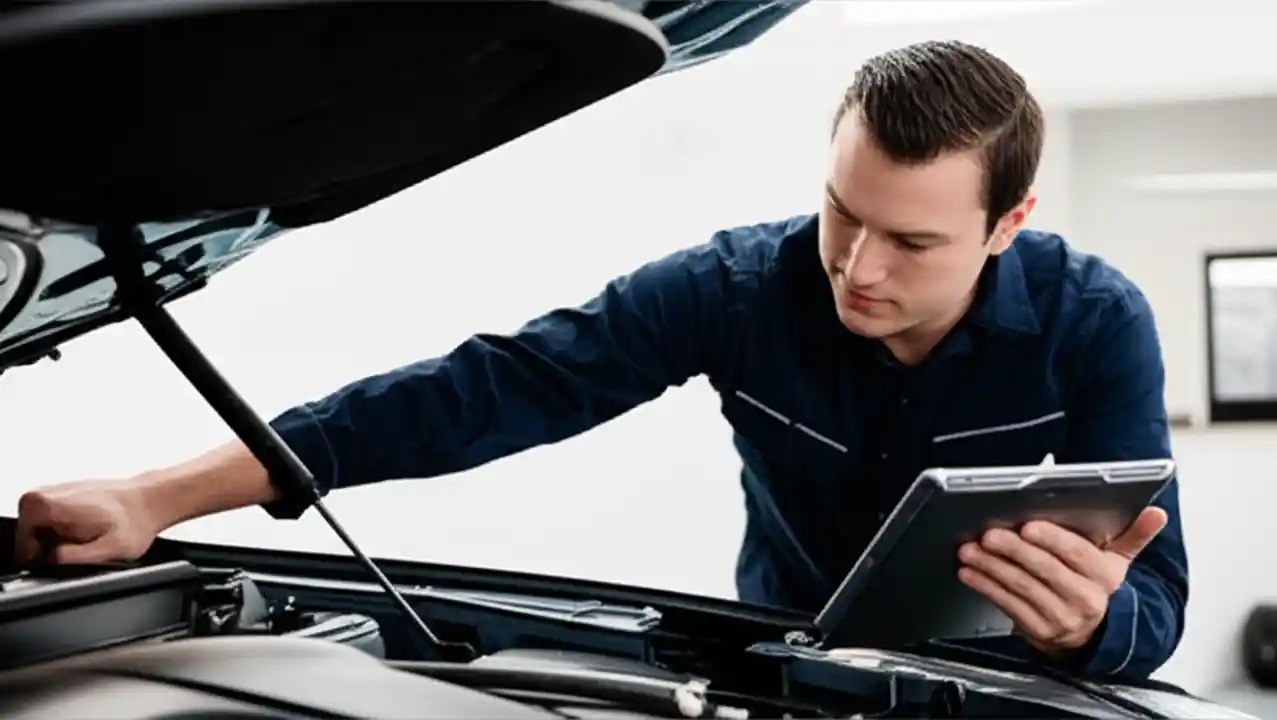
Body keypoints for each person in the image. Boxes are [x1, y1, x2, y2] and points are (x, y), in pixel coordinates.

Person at [13, 40, 1186, 682]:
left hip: (1004, 695)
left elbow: (1153, 604)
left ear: (1007, 222)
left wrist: (1089, 627)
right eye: (840, 214)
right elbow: (477, 394)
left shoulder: (1094, 323)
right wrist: (154, 495)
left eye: (913, 241)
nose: (858, 269)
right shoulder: (734, 290)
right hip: (783, 677)